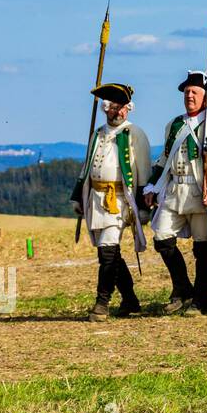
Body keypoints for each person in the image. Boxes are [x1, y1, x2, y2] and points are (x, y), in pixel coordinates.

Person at [144, 71, 207, 315]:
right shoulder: (175, 124)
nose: (189, 96)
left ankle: (201, 298)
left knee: (203, 247)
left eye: (194, 92)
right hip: (174, 190)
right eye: (186, 92)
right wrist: (152, 185)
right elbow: (164, 158)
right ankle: (182, 289)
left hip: (200, 191)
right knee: (162, 237)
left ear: (206, 95)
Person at [71, 83, 152, 321]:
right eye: (113, 107)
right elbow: (86, 167)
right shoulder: (97, 134)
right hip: (96, 199)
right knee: (109, 254)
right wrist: (78, 196)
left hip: (119, 201)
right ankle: (130, 300)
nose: (117, 112)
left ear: (128, 109)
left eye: (121, 108)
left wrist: (143, 208)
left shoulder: (135, 134)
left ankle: (101, 303)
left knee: (108, 253)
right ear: (106, 109)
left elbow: (143, 173)